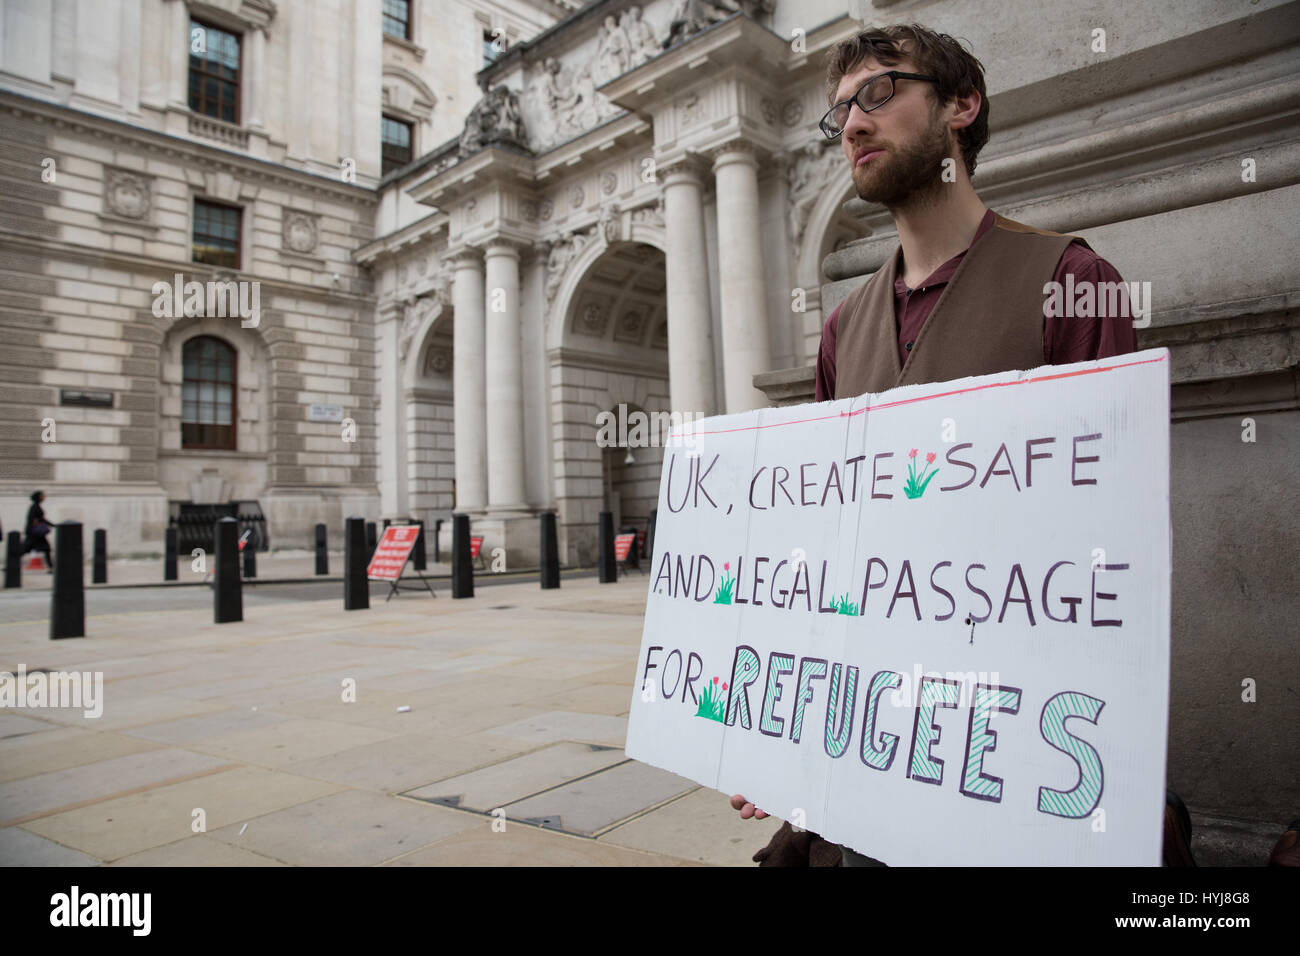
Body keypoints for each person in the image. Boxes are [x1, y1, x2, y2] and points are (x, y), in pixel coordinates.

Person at [730, 22, 1143, 866]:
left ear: (962, 105)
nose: (850, 123)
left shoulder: (1070, 281)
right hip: (870, 759)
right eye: (839, 110)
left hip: (1012, 764)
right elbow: (826, 553)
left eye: (878, 93)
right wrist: (785, 731)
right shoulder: (844, 328)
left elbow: (1111, 556)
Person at [23, 490, 53, 571]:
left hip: (36, 533)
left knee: (46, 549)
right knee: (24, 549)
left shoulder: (36, 506)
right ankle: (10, 564)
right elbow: (38, 519)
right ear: (38, 497)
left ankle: (51, 567)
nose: (44, 497)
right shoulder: (35, 507)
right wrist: (52, 524)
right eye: (42, 496)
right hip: (34, 533)